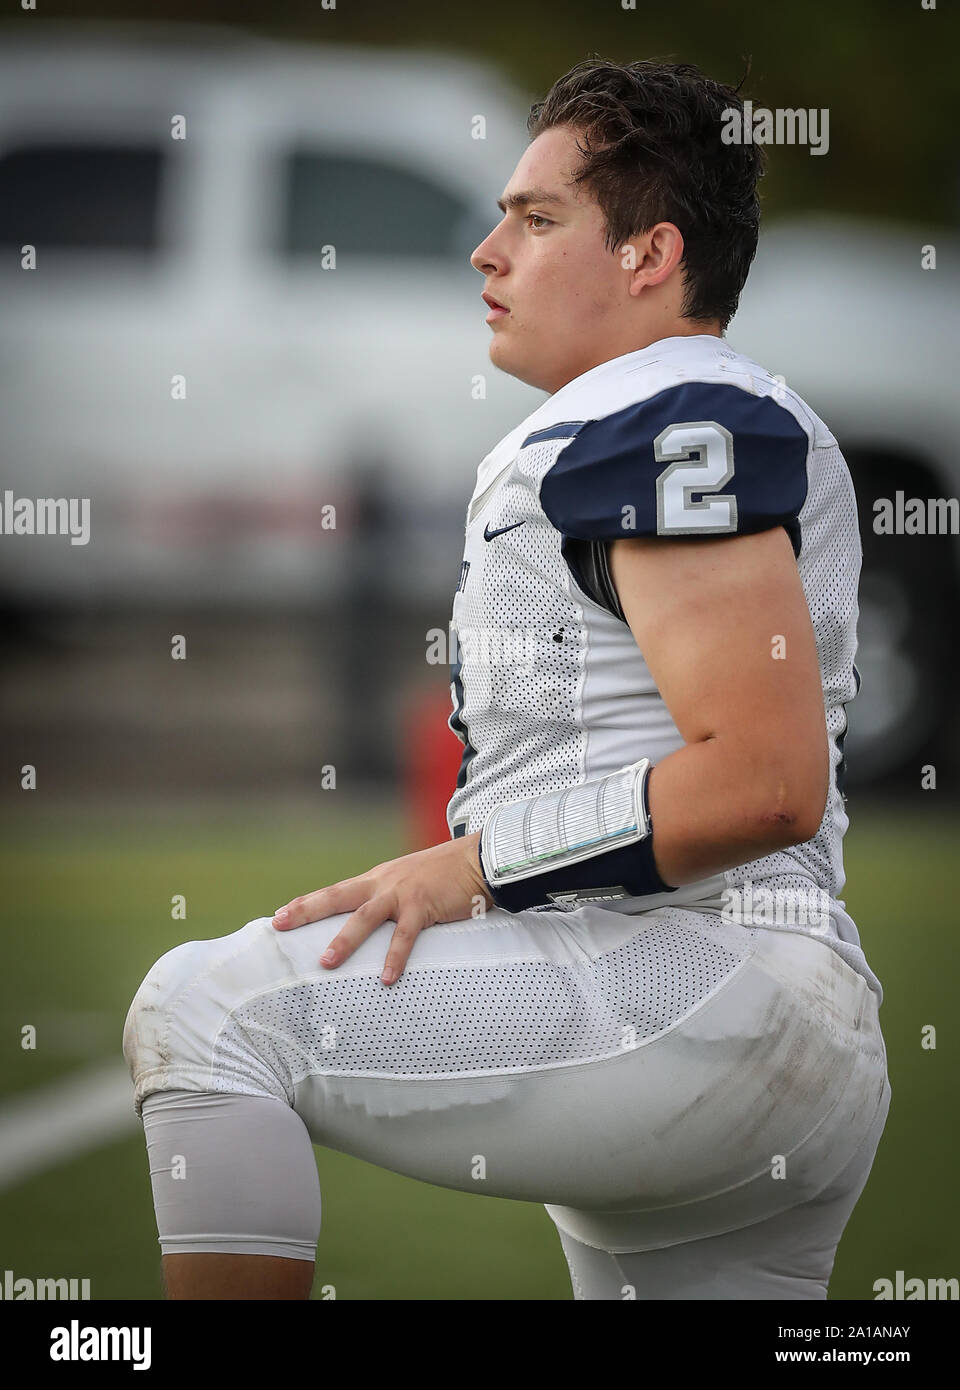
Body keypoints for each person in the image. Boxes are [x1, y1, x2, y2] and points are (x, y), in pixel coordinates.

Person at [122, 57, 890, 1301]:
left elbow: (765, 783)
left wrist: (474, 867)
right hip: (724, 1007)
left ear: (649, 255)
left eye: (536, 220)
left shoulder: (669, 409)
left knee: (210, 1009)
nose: (487, 252)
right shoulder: (651, 414)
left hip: (699, 976)